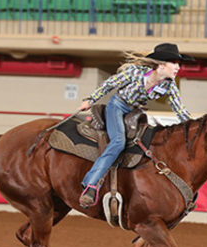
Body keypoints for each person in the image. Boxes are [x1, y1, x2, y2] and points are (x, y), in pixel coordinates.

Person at [77, 43, 196, 207]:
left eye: (178, 63)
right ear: (161, 65)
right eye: (174, 63)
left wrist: (194, 127)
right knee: (118, 142)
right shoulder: (134, 73)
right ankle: (91, 184)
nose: (178, 67)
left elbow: (180, 110)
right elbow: (109, 84)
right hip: (117, 106)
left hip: (135, 112)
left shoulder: (169, 85)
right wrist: (90, 100)